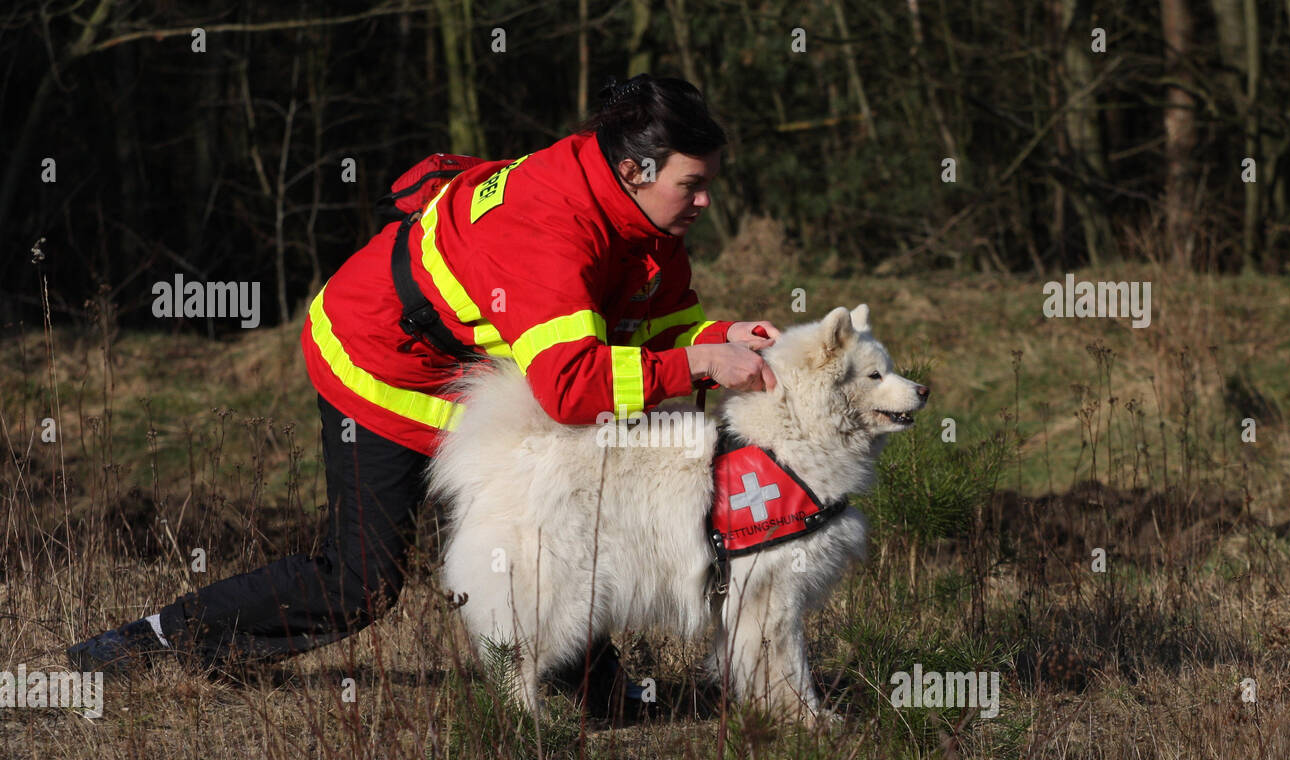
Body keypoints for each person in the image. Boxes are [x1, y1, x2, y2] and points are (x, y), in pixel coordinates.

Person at [67, 74, 781, 718]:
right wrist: (696, 363)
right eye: (693, 184)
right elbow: (569, 390)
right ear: (634, 168)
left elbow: (656, 323)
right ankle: (152, 644)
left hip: (482, 376)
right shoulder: (552, 229)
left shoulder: (644, 220)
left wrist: (722, 339)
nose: (707, 200)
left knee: (560, 521)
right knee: (360, 585)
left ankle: (596, 696)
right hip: (381, 366)